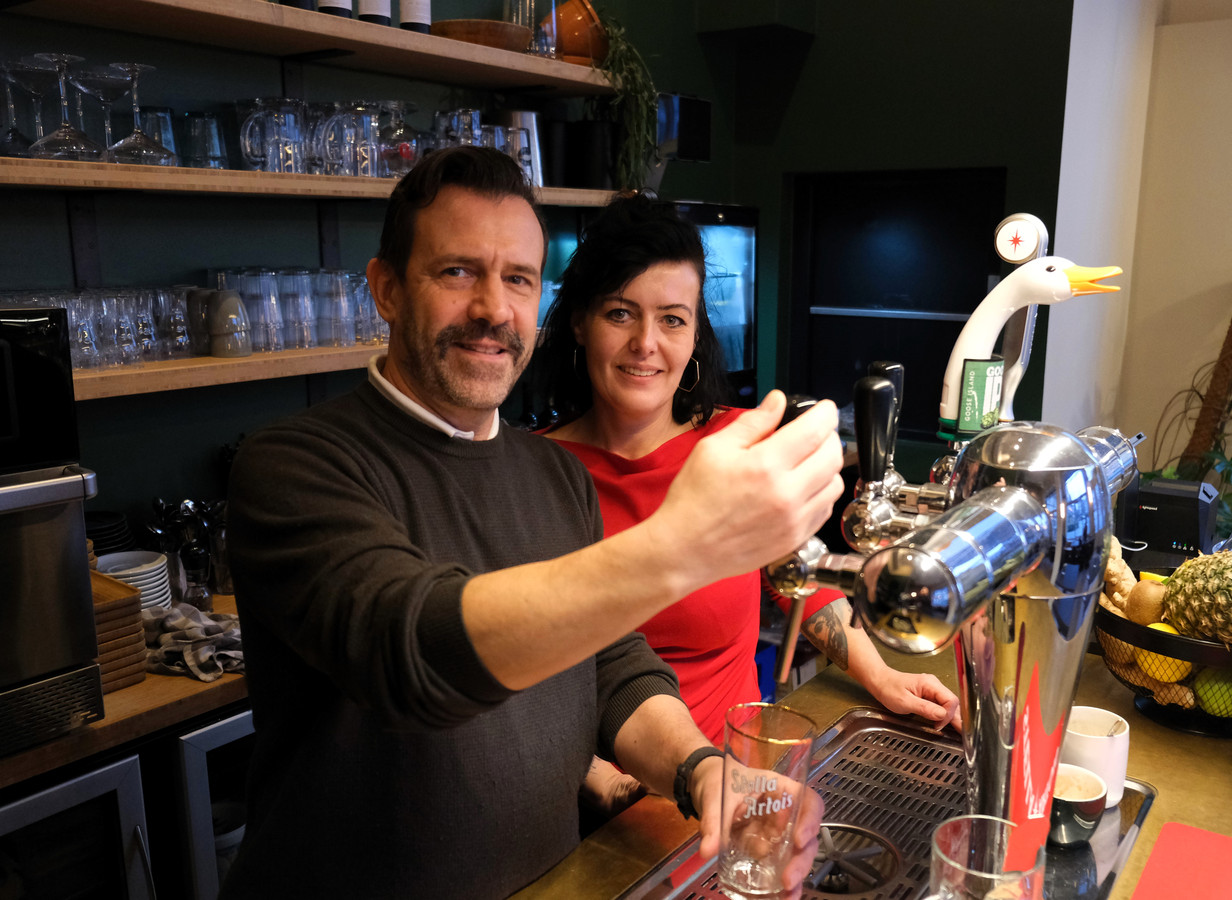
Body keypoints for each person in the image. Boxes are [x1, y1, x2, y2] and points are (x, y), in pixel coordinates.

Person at [222, 148, 841, 900]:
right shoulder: (293, 466)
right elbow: (410, 649)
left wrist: (703, 770)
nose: (492, 308)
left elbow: (611, 663)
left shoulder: (553, 475)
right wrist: (679, 546)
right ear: (385, 289)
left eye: (517, 279)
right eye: (457, 272)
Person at [532, 193, 960, 808]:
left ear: (695, 334)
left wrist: (883, 677)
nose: (646, 344)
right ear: (580, 322)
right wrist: (595, 777)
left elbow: (797, 577)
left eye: (672, 319)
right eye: (620, 314)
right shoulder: (533, 472)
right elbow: (526, 677)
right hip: (612, 805)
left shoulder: (736, 444)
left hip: (743, 778)